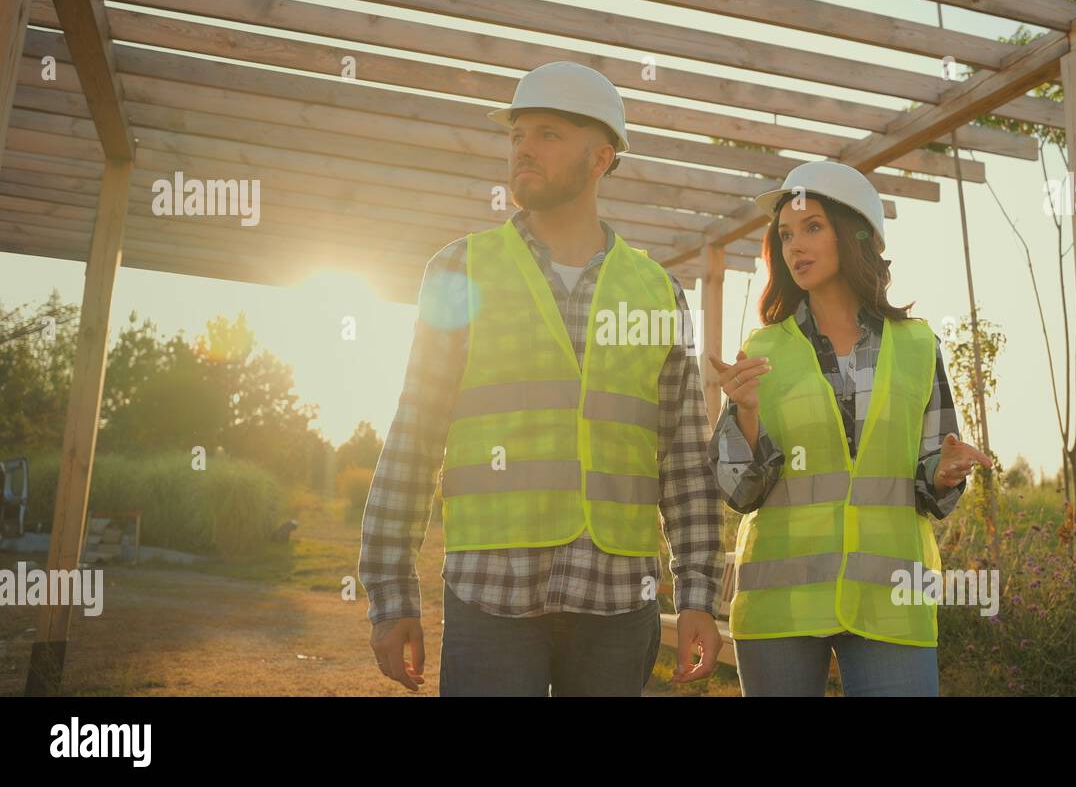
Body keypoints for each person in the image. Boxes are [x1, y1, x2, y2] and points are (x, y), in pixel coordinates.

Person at [358, 61, 725, 696]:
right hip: (490, 594)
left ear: (601, 157)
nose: (524, 147)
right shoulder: (459, 270)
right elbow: (415, 434)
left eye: (548, 134)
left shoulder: (657, 292)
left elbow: (688, 462)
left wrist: (697, 594)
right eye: (517, 134)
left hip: (616, 603)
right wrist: (391, 596)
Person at [707, 160, 992, 697]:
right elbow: (737, 490)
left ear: (855, 236)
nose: (795, 246)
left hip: (892, 599)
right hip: (779, 604)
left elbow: (929, 474)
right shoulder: (763, 349)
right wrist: (744, 414)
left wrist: (946, 470)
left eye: (813, 227)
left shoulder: (917, 345)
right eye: (786, 234)